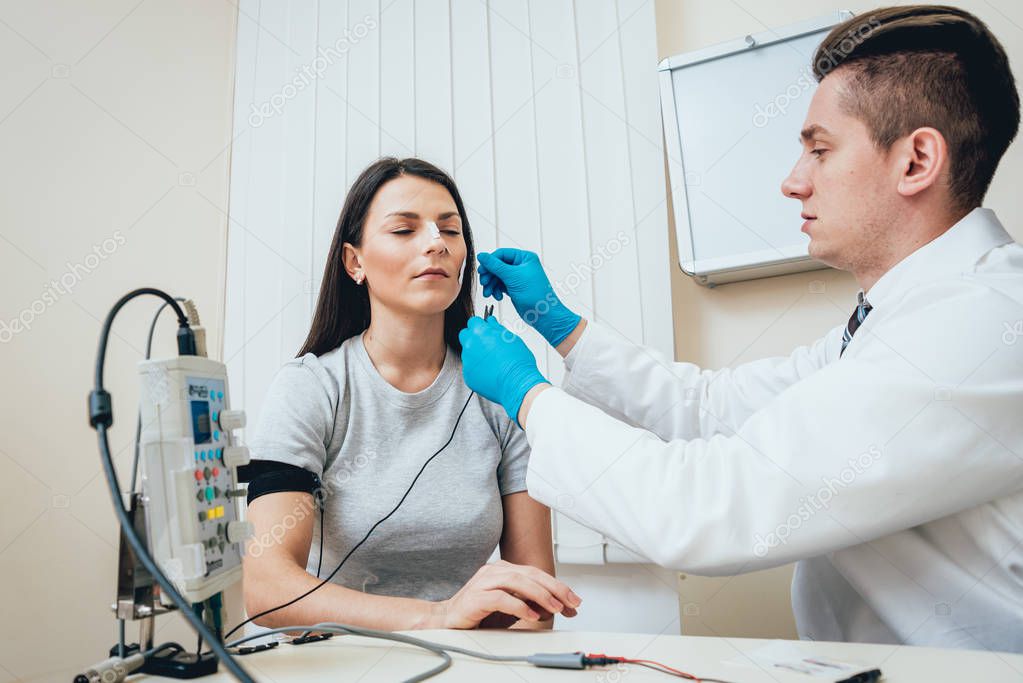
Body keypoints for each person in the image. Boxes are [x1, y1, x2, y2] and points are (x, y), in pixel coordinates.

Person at [459, 6, 1023, 651]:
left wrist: (527, 395)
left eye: (819, 149)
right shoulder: (898, 320)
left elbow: (708, 507)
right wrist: (562, 329)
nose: (792, 181)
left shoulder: (980, 325)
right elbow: (709, 408)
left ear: (916, 160)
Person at [242, 157, 580, 632]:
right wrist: (439, 617)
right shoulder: (310, 388)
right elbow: (267, 590)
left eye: (450, 230)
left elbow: (535, 598)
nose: (436, 243)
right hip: (340, 665)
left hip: (469, 666)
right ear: (354, 262)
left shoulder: (500, 389)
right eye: (404, 230)